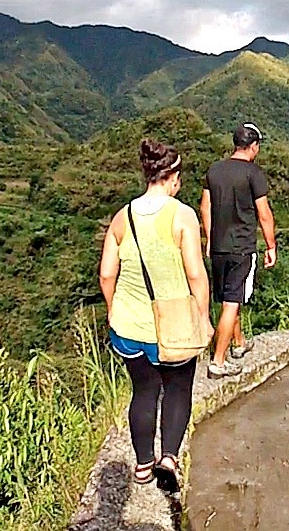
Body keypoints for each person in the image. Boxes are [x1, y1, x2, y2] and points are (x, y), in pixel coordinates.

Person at [99, 138, 210, 488]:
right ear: (172, 176)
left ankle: (143, 466)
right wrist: (202, 316)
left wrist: (113, 309)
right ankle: (169, 458)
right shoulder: (182, 216)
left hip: (129, 326)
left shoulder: (123, 216)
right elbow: (195, 272)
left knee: (144, 392)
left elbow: (106, 274)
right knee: (177, 390)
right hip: (174, 325)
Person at [201, 122, 276, 379]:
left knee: (228, 300)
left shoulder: (215, 170)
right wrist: (271, 245)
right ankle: (218, 362)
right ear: (253, 146)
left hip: (219, 246)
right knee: (233, 302)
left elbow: (205, 207)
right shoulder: (253, 174)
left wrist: (210, 239)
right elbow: (264, 214)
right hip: (242, 247)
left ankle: (239, 343)